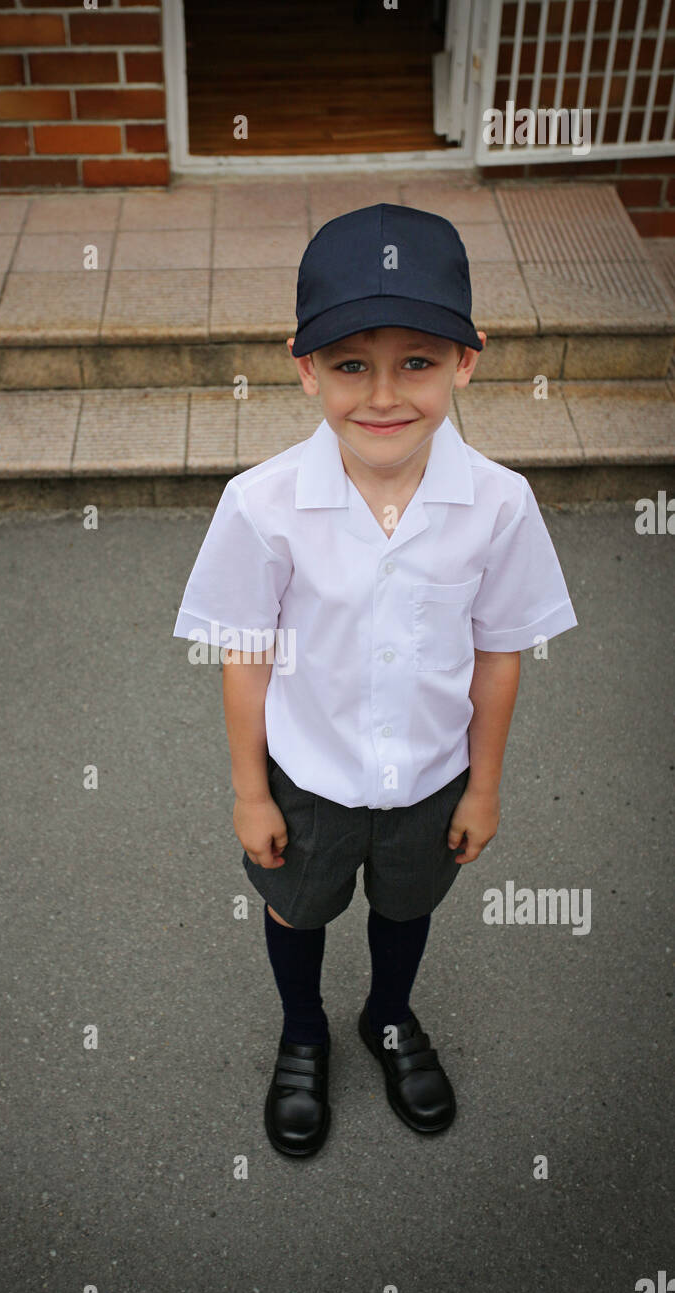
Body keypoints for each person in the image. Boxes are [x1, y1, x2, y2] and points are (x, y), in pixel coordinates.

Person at [172, 203, 578, 1158]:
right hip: (306, 778)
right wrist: (247, 794)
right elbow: (245, 652)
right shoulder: (261, 504)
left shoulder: (500, 504)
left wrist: (483, 784)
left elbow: (499, 650)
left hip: (430, 778)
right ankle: (303, 1029)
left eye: (418, 362)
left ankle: (387, 1019)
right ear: (304, 364)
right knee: (296, 906)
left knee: (407, 905)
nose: (384, 394)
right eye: (352, 363)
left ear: (468, 359)